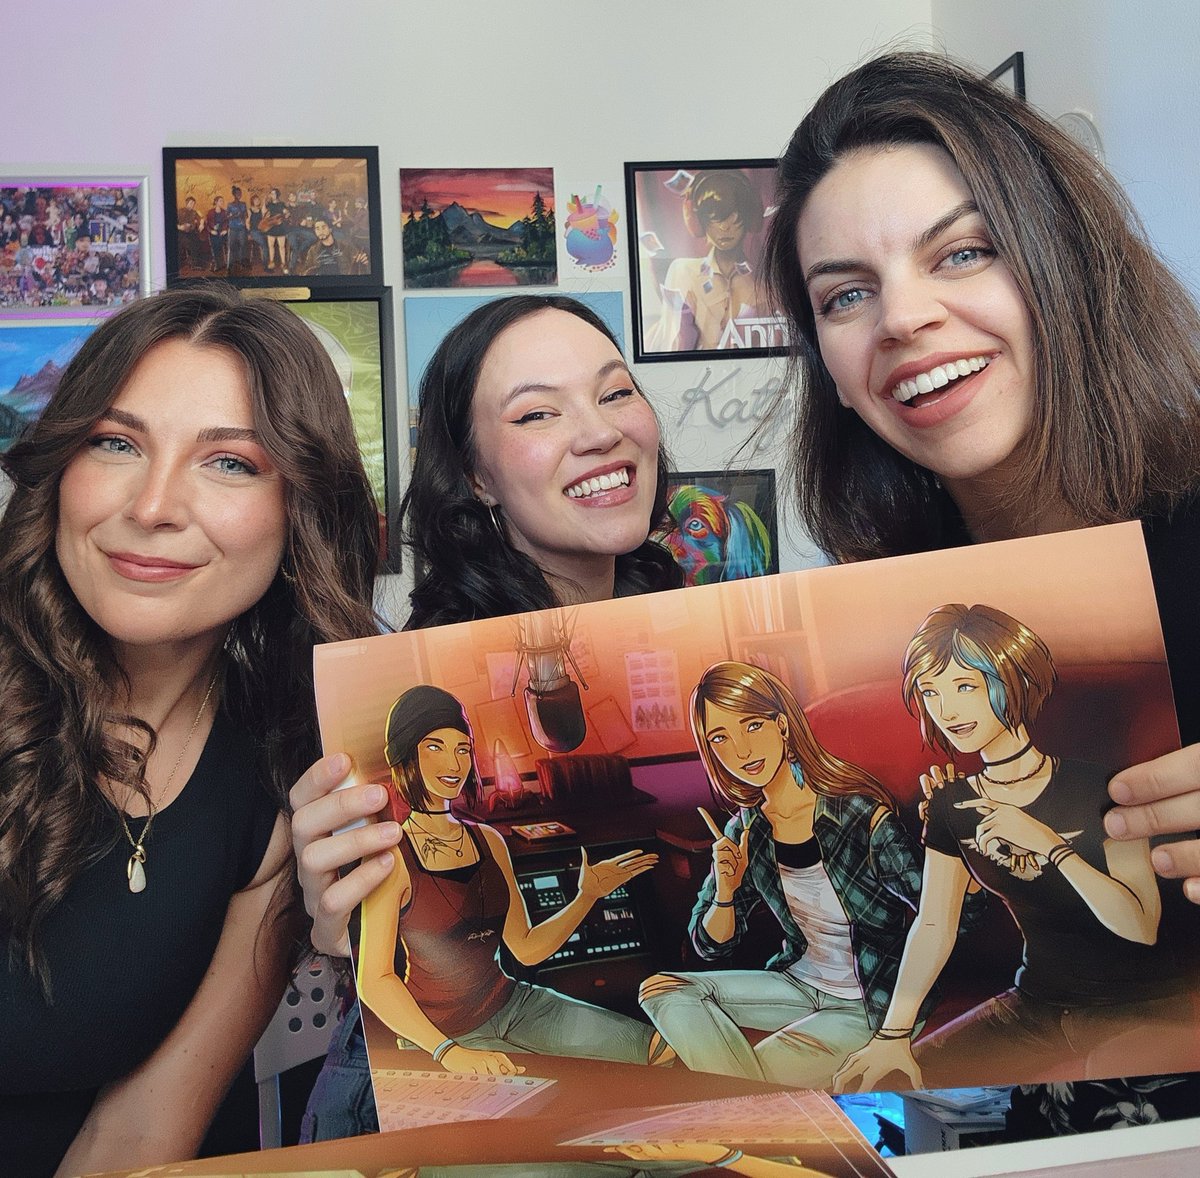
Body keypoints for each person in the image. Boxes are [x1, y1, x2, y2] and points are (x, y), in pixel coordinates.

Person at [760, 49, 1200, 1134]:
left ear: (1061, 261)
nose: (902, 318)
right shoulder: (904, 605)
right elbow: (928, 932)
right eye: (847, 294)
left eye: (962, 251)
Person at [0, 285, 381, 1177]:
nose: (154, 505)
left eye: (231, 463)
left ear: (299, 511)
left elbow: (137, 1135)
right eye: (116, 443)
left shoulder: (289, 780)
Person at [292, 293, 680, 1140]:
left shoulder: (673, 630)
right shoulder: (414, 679)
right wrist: (333, 914)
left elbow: (526, 948)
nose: (599, 432)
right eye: (538, 412)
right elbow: (371, 945)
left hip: (556, 1018)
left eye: (616, 392)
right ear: (474, 477)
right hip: (410, 1093)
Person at [835, 604, 1194, 1091]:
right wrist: (892, 1036)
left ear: (1014, 680)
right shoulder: (951, 805)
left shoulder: (1099, 787)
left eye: (965, 686)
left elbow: (1140, 925)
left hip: (1140, 1005)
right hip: (1033, 1007)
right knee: (892, 1081)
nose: (947, 710)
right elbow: (935, 923)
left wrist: (1049, 844)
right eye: (931, 691)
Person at [637, 660, 940, 1089]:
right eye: (720, 737)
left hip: (869, 999)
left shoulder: (858, 815)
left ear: (781, 725)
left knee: (747, 1076)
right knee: (661, 989)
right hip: (796, 983)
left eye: (752, 726)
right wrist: (726, 892)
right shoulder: (747, 828)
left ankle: (734, 1094)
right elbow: (710, 946)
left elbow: (951, 914)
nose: (741, 750)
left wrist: (945, 837)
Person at [358, 683, 662, 1077]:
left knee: (657, 1050)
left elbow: (527, 948)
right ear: (406, 755)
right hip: (440, 1036)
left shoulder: (489, 840)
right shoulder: (390, 858)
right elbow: (374, 980)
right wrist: (447, 1052)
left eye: (462, 749)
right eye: (435, 746)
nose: (453, 763)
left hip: (516, 1005)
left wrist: (586, 896)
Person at [651, 169, 764, 352]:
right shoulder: (683, 271)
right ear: (699, 221)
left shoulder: (763, 284)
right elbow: (670, 347)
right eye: (714, 217)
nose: (725, 227)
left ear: (748, 218)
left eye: (734, 217)